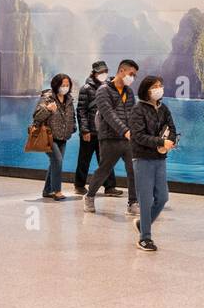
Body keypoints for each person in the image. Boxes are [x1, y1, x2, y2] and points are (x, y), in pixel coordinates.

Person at [129, 75, 176, 251]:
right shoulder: (138, 110)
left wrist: (170, 142)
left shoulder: (164, 109)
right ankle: (145, 238)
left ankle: (143, 224)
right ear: (146, 89)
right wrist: (159, 142)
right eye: (155, 86)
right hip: (142, 158)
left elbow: (172, 129)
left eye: (160, 85)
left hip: (160, 159)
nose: (159, 88)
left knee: (163, 197)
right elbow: (138, 136)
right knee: (146, 199)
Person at [87, 59, 139, 214]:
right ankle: (89, 196)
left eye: (135, 75)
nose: (133, 78)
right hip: (109, 138)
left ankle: (133, 202)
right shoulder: (103, 90)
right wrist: (125, 131)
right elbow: (109, 114)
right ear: (121, 71)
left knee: (133, 170)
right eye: (131, 74)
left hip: (128, 139)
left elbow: (133, 114)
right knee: (104, 170)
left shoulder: (129, 92)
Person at [73, 60, 116, 196]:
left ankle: (109, 187)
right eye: (100, 72)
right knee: (84, 159)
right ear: (94, 73)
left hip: (104, 131)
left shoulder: (109, 87)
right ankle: (79, 185)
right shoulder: (86, 89)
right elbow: (81, 111)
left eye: (105, 71)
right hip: (90, 132)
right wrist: (84, 130)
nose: (103, 74)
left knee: (106, 159)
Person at [33, 73, 76, 200]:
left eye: (67, 85)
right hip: (49, 136)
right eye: (63, 85)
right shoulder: (47, 98)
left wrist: (73, 128)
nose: (65, 87)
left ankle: (47, 190)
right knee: (57, 160)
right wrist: (48, 109)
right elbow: (36, 116)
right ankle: (57, 191)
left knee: (55, 163)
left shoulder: (69, 99)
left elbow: (71, 116)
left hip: (63, 136)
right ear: (56, 85)